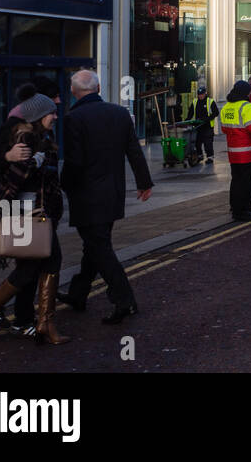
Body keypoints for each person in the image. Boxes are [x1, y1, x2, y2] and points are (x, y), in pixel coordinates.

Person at [0, 93, 70, 346]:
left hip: (40, 214)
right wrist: (33, 160)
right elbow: (13, 179)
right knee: (31, 269)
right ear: (36, 117)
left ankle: (42, 321)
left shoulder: (42, 137)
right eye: (50, 113)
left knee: (45, 264)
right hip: (27, 215)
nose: (55, 116)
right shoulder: (25, 139)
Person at [58, 70, 154, 324]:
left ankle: (125, 300)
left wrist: (63, 186)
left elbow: (74, 161)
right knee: (94, 245)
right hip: (112, 193)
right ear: (98, 88)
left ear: (74, 92)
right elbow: (134, 151)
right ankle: (79, 294)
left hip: (87, 196)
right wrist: (144, 182)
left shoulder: (73, 118)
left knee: (99, 248)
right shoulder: (119, 113)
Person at [221, 81, 251, 221]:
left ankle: (236, 207)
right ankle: (242, 210)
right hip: (248, 152)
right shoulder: (247, 107)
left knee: (236, 181)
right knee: (247, 181)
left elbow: (224, 129)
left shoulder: (226, 107)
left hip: (233, 151)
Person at [187, 85, 219, 165]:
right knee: (197, 142)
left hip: (207, 126)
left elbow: (216, 113)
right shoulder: (195, 102)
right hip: (197, 126)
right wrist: (187, 120)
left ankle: (210, 157)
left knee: (207, 143)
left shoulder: (210, 101)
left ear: (205, 93)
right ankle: (199, 156)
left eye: (202, 94)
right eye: (199, 94)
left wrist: (207, 119)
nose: (200, 96)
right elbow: (190, 113)